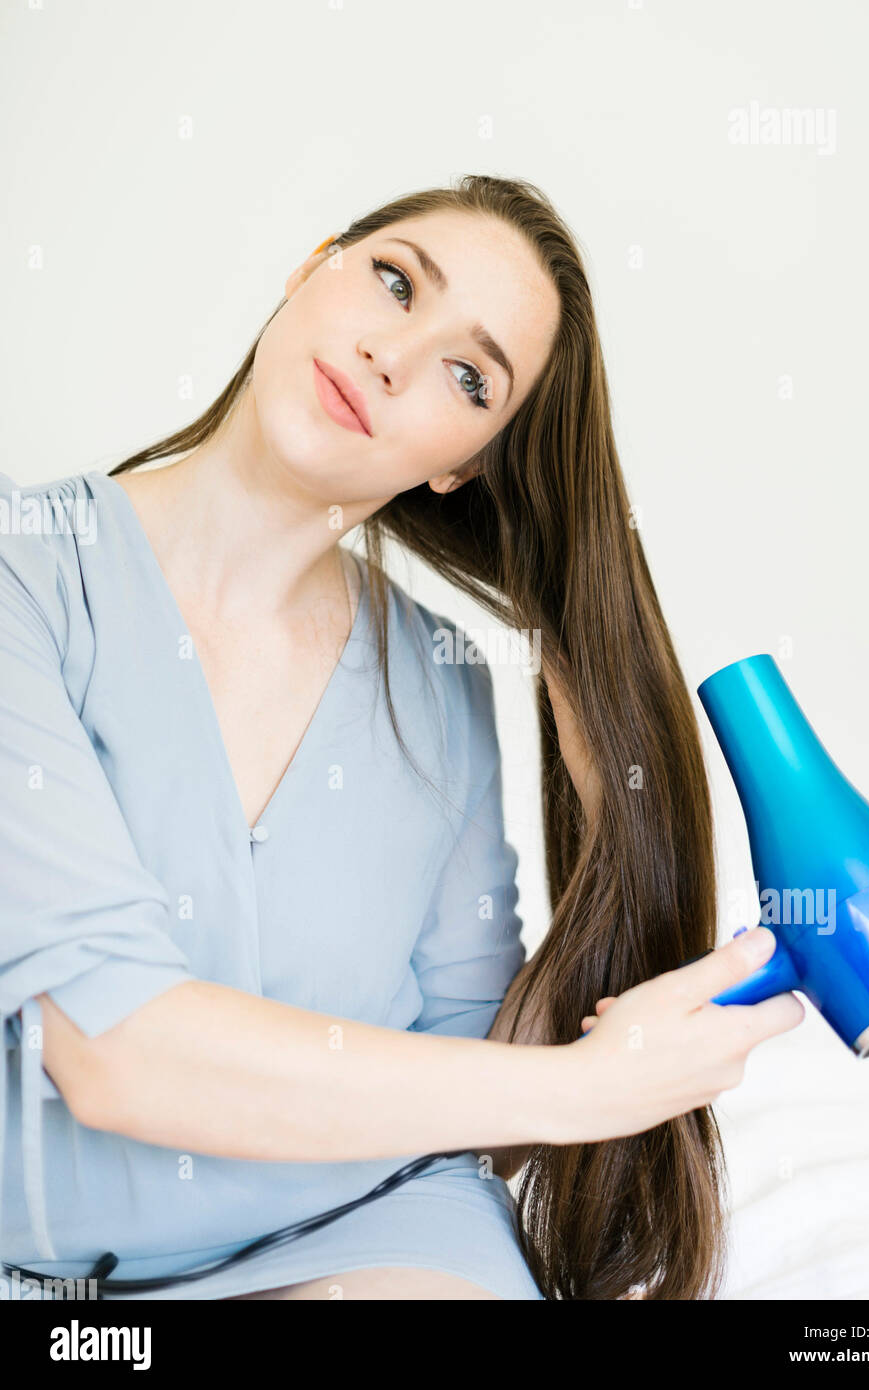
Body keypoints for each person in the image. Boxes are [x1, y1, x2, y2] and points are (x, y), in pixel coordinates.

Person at [0, 175, 804, 1302]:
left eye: (468, 375)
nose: (392, 353)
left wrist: (613, 826)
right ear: (307, 269)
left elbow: (464, 1059)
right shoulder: (25, 574)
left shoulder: (439, 681)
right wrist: (587, 1088)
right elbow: (112, 1050)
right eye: (392, 281)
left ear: (460, 464)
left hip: (369, 1218)